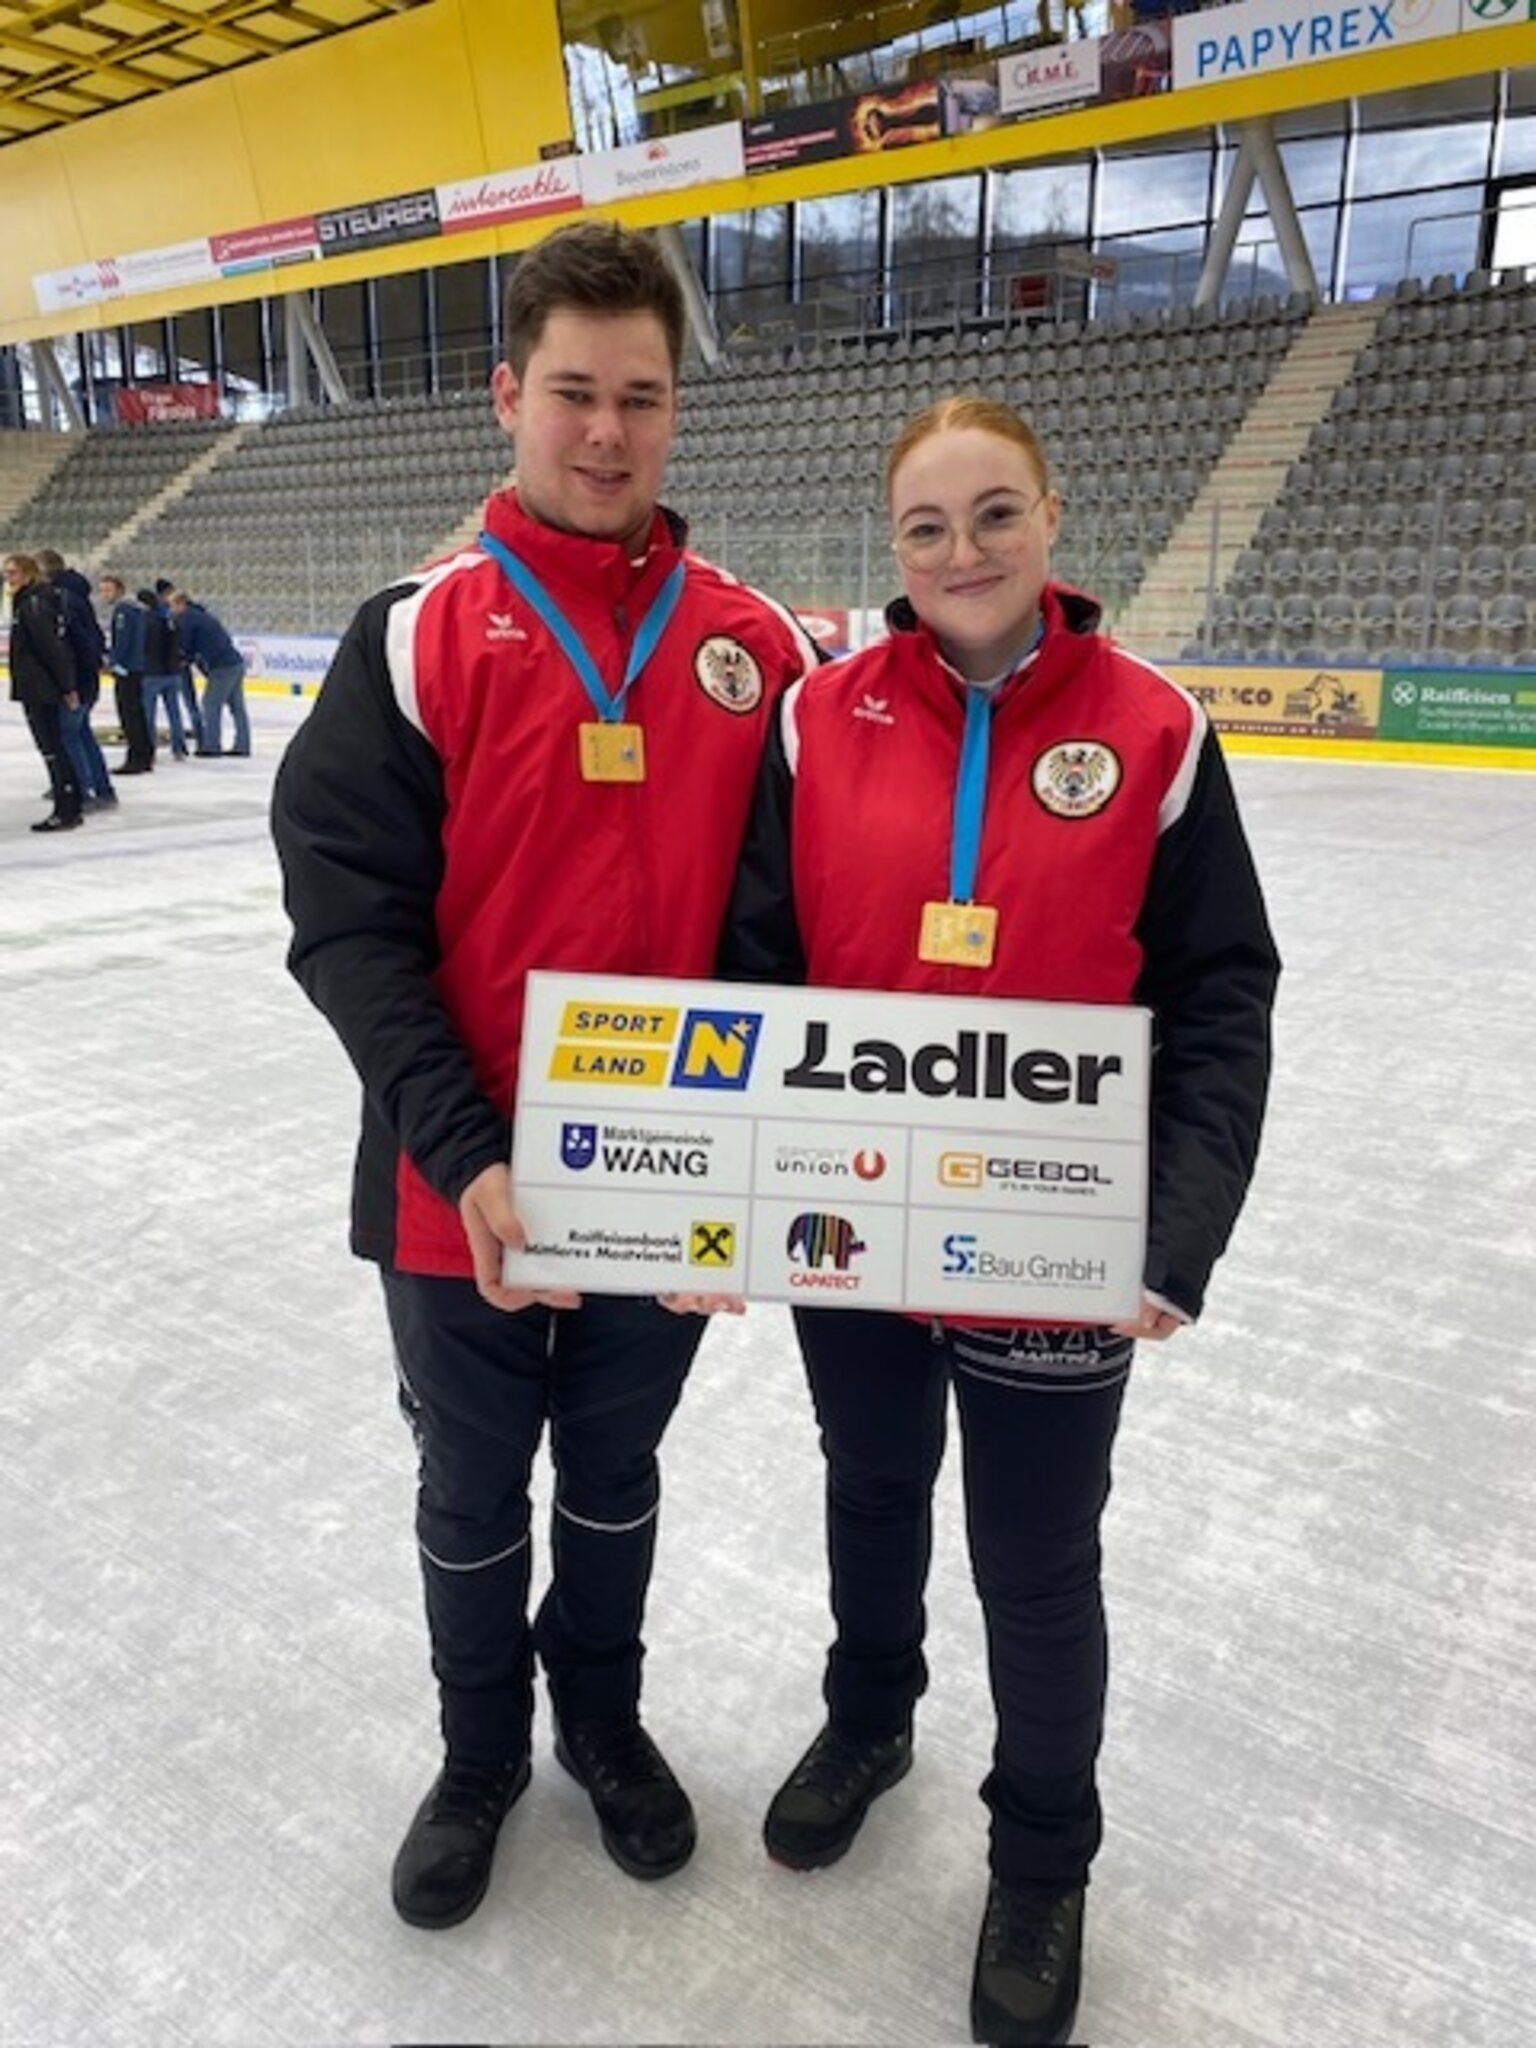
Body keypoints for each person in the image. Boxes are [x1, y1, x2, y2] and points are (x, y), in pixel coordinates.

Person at [271, 219, 819, 1932]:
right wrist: (465, 1146)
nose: (605, 431)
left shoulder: (755, 651)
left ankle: (598, 1716)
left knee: (614, 1478)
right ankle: (483, 1753)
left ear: (674, 411)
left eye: (639, 398)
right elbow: (348, 925)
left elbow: (794, 929)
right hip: (461, 1198)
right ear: (508, 396)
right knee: (465, 1487)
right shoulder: (421, 635)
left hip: (665, 1188)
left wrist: (749, 1170)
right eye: (571, 392)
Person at [719, 396, 1280, 2048]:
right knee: (872, 1491)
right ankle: (869, 1716)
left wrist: (1175, 1231)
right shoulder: (821, 718)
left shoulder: (1156, 727)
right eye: (925, 525)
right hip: (856, 1216)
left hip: (1054, 1229)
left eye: (992, 515)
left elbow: (1222, 989)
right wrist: (719, 1190)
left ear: (1050, 515)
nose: (961, 552)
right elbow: (756, 964)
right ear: (891, 546)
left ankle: (1042, 1856)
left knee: (1034, 1561)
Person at [5, 551, 83, 832]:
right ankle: (70, 803)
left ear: (28, 573)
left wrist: (67, 686)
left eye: (12, 573)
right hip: (37, 684)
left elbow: (50, 648)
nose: (8, 578)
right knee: (53, 747)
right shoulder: (29, 601)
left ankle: (66, 807)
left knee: (52, 747)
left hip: (41, 686)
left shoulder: (34, 603)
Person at [37, 548, 116, 810]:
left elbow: (77, 643)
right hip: (85, 677)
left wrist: (69, 681)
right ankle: (101, 789)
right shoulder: (74, 597)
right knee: (81, 734)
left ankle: (82, 791)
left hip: (77, 679)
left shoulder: (63, 600)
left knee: (69, 735)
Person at [169, 590, 250, 757]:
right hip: (235, 662)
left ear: (181, 604)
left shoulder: (188, 619)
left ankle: (212, 745)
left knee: (210, 704)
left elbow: (186, 644)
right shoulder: (202, 615)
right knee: (237, 707)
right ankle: (243, 744)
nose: (171, 610)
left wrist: (182, 659)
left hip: (221, 666)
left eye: (173, 605)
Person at [99, 574, 153, 773]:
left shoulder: (123, 610)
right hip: (137, 667)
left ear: (119, 590)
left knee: (129, 715)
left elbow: (123, 642)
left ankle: (136, 758)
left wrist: (112, 662)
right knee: (137, 713)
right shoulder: (138, 609)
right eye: (103, 590)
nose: (105, 595)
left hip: (127, 669)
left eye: (108, 590)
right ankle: (145, 754)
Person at [138, 588, 189, 758]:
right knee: (174, 710)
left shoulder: (145, 621)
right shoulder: (170, 619)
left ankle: (149, 747)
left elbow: (143, 646)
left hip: (152, 672)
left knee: (148, 713)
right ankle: (179, 746)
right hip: (173, 672)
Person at [154, 577, 205, 748]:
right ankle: (196, 739)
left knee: (184, 704)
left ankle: (196, 739)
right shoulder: (192, 610)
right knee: (183, 704)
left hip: (174, 665)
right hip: (178, 664)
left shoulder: (175, 614)